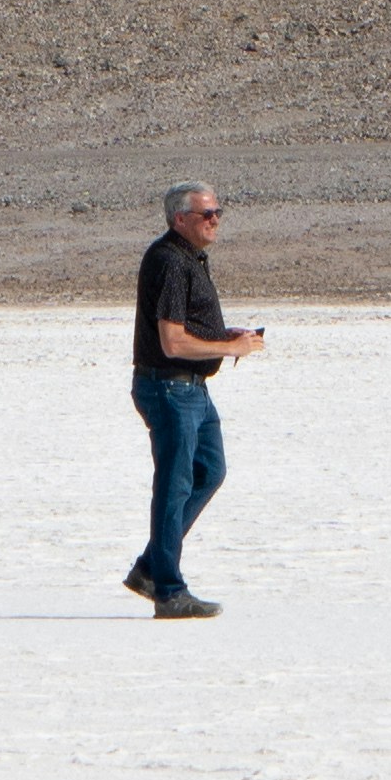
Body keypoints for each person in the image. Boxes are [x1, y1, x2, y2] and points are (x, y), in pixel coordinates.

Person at [125, 181, 263, 619]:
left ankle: (151, 566)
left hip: (192, 389)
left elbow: (188, 331)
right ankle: (168, 590)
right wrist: (229, 349)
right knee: (175, 485)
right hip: (169, 387)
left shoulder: (189, 259)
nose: (216, 219)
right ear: (180, 219)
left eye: (218, 211)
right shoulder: (169, 261)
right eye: (207, 214)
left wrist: (225, 335)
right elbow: (172, 342)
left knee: (210, 471)